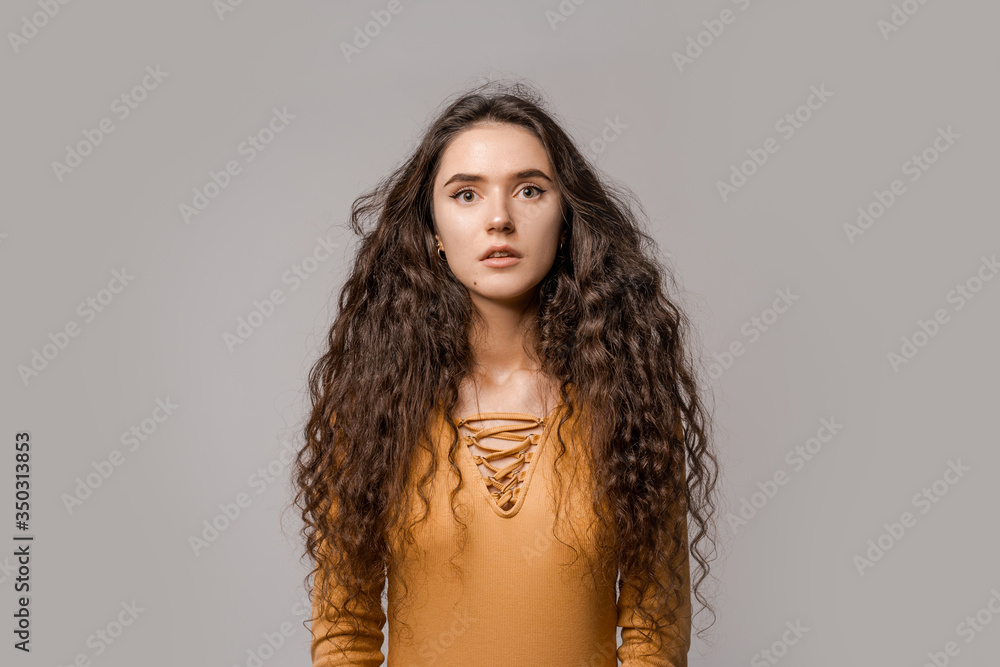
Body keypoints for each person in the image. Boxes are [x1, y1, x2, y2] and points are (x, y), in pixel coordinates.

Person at [291, 80, 719, 666]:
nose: (499, 219)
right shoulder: (371, 412)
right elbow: (346, 635)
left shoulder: (631, 404)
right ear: (432, 232)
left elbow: (655, 637)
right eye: (466, 194)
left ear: (566, 220)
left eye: (529, 190)